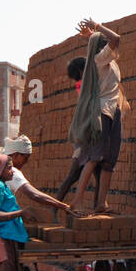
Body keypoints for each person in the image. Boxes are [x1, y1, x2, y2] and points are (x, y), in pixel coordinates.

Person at [69, 19, 130, 214]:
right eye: (102, 41)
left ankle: (101, 204)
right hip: (103, 113)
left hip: (114, 111)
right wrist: (97, 27)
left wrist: (91, 36)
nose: (107, 42)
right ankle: (76, 201)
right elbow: (116, 38)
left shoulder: (107, 60)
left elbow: (109, 42)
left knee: (108, 160)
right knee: (94, 157)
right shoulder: (99, 59)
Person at [55, 56, 89, 201]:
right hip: (83, 135)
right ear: (82, 70)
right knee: (73, 174)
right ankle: (55, 207)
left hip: (85, 133)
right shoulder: (83, 85)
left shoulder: (83, 84)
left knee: (97, 170)